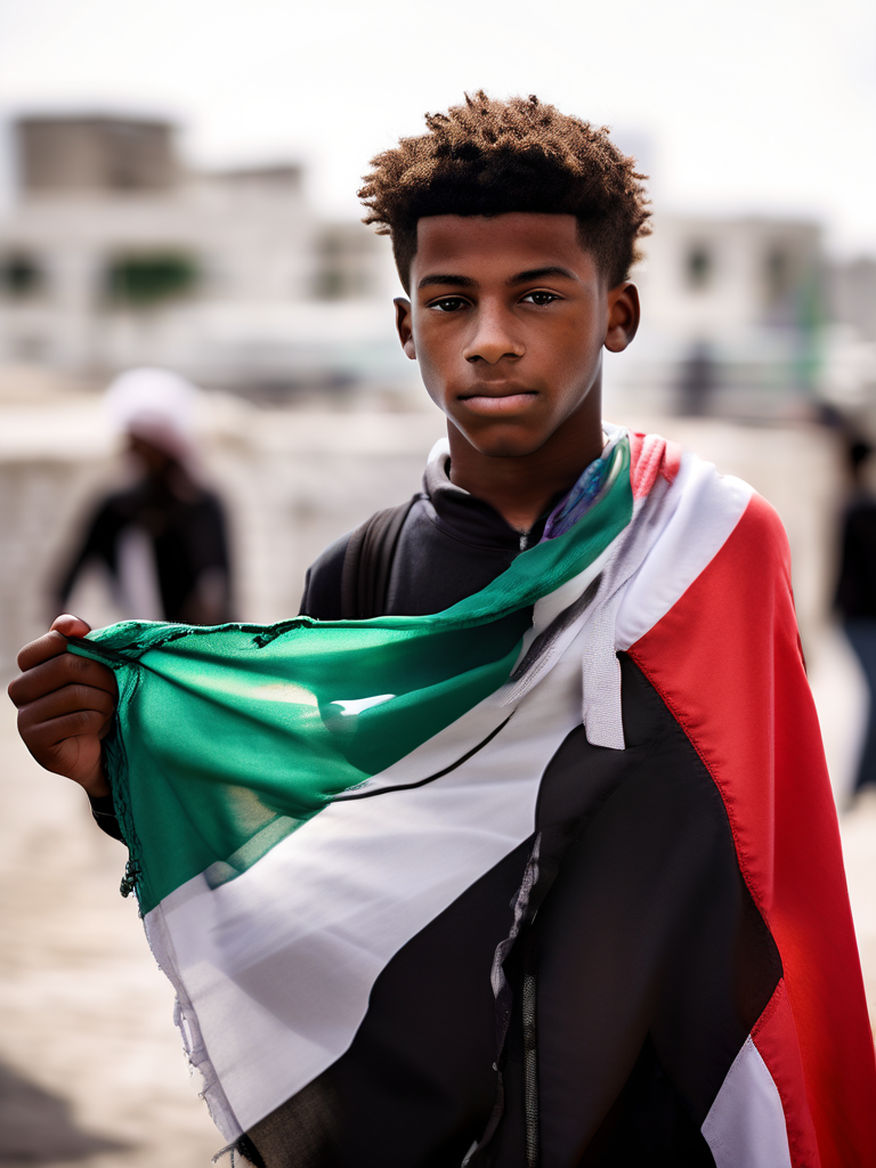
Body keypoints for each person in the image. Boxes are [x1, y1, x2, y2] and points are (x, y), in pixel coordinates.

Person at [8, 93, 876, 1168]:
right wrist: (121, 779)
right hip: (434, 1125)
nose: (493, 339)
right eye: (451, 300)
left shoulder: (712, 549)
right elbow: (308, 875)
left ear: (620, 313)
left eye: (541, 296)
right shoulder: (358, 574)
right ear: (406, 325)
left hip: (668, 1118)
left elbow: (776, 876)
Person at [52, 366, 234, 626]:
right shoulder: (117, 507)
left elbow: (219, 586)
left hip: (193, 645)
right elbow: (68, 577)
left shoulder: (201, 504)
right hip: (140, 642)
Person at [834, 434, 876, 801]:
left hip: (854, 615)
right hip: (862, 617)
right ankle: (862, 781)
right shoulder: (861, 507)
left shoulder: (853, 504)